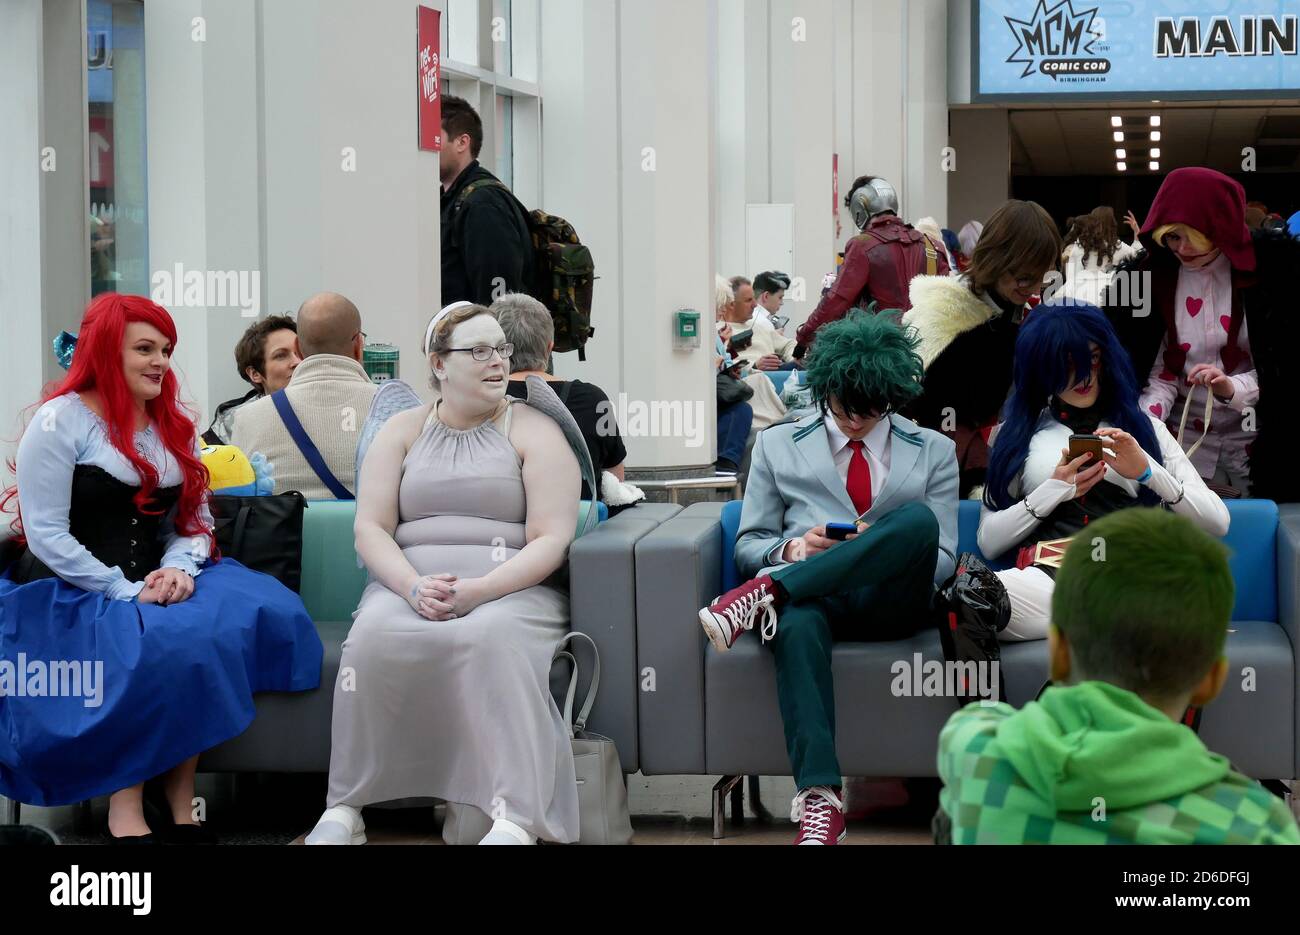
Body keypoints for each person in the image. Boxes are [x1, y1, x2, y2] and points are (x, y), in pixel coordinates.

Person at [0, 293, 323, 843]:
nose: (161, 362)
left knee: (218, 624)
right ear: (105, 351)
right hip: (73, 586)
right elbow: (49, 535)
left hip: (155, 578)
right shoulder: (59, 423)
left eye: (166, 349)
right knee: (157, 642)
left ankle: (179, 802)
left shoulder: (167, 423)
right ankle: (125, 810)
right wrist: (123, 590)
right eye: (145, 349)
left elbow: (190, 521)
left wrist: (179, 571)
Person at [304, 303, 582, 846]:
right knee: (372, 640)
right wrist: (409, 586)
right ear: (438, 363)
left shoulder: (537, 430)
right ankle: (347, 804)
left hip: (514, 589)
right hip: (409, 584)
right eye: (478, 351)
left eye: (501, 349)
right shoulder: (401, 432)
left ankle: (515, 813)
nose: (497, 362)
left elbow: (552, 538)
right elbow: (371, 529)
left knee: (488, 636)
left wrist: (479, 591)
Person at [697, 312, 958, 844]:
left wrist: (871, 553)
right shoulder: (777, 445)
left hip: (895, 602)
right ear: (825, 391)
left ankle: (764, 595)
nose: (855, 421)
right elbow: (750, 544)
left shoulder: (934, 449)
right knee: (794, 625)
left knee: (917, 523)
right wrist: (796, 548)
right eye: (842, 408)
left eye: (870, 410)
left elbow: (944, 557)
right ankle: (821, 802)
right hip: (816, 601)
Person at [937, 508, 1299, 844]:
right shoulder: (1259, 823)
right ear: (1212, 679)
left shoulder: (970, 744)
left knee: (952, 813)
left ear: (1059, 655)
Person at [978, 303, 1228, 642]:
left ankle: (1081, 665)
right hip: (1052, 584)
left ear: (1106, 358)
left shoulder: (1147, 430)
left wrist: (1147, 472)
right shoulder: (1016, 436)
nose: (1083, 376)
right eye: (1065, 364)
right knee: (968, 594)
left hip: (1134, 580)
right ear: (1042, 368)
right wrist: (1053, 489)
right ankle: (994, 697)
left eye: (1091, 358)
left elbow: (1218, 522)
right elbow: (989, 543)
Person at [1103, 167, 1300, 500]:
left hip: (1259, 442)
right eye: (1172, 237)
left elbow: (1284, 363)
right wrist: (1146, 423)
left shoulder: (1273, 277)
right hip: (1184, 448)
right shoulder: (1154, 281)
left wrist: (1232, 386)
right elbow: (1157, 370)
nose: (1181, 248)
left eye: (1191, 236)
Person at [903, 199, 1062, 498]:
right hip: (945, 465)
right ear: (997, 259)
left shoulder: (1020, 309)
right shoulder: (945, 312)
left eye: (1043, 277)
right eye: (1026, 277)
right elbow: (918, 407)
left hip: (1000, 448)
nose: (1034, 287)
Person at [230, 292, 378, 500]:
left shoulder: (247, 419)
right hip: (373, 532)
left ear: (298, 348)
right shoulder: (397, 409)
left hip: (286, 532)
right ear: (359, 344)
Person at [493, 293, 630, 503]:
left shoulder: (481, 399)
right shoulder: (592, 400)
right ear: (550, 346)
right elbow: (614, 486)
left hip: (501, 528)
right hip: (580, 530)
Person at [796, 175, 949, 351]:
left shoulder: (862, 245)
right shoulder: (933, 247)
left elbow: (837, 300)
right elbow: (945, 304)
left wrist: (804, 337)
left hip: (881, 355)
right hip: (928, 350)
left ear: (859, 208)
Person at [439, 95, 532, 307]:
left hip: (478, 338)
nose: (428, 146)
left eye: (436, 139)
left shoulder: (483, 204)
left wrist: (488, 339)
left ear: (462, 142)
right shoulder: (452, 199)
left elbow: (498, 300)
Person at [203, 314, 301, 445]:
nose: (297, 361)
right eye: (281, 355)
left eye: (300, 351)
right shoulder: (232, 424)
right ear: (255, 373)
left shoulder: (330, 401)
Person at [1056, 206, 1144, 308]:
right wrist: (1136, 233)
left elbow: (1070, 277)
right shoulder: (1117, 246)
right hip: (1105, 296)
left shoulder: (1079, 245)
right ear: (1112, 224)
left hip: (1076, 294)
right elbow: (1138, 257)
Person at [725, 273, 799, 372]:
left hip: (776, 376)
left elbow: (788, 344)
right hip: (750, 378)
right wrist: (754, 365)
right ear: (732, 304)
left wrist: (794, 358)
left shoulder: (761, 325)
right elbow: (721, 365)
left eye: (754, 299)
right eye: (748, 300)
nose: (755, 305)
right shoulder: (719, 333)